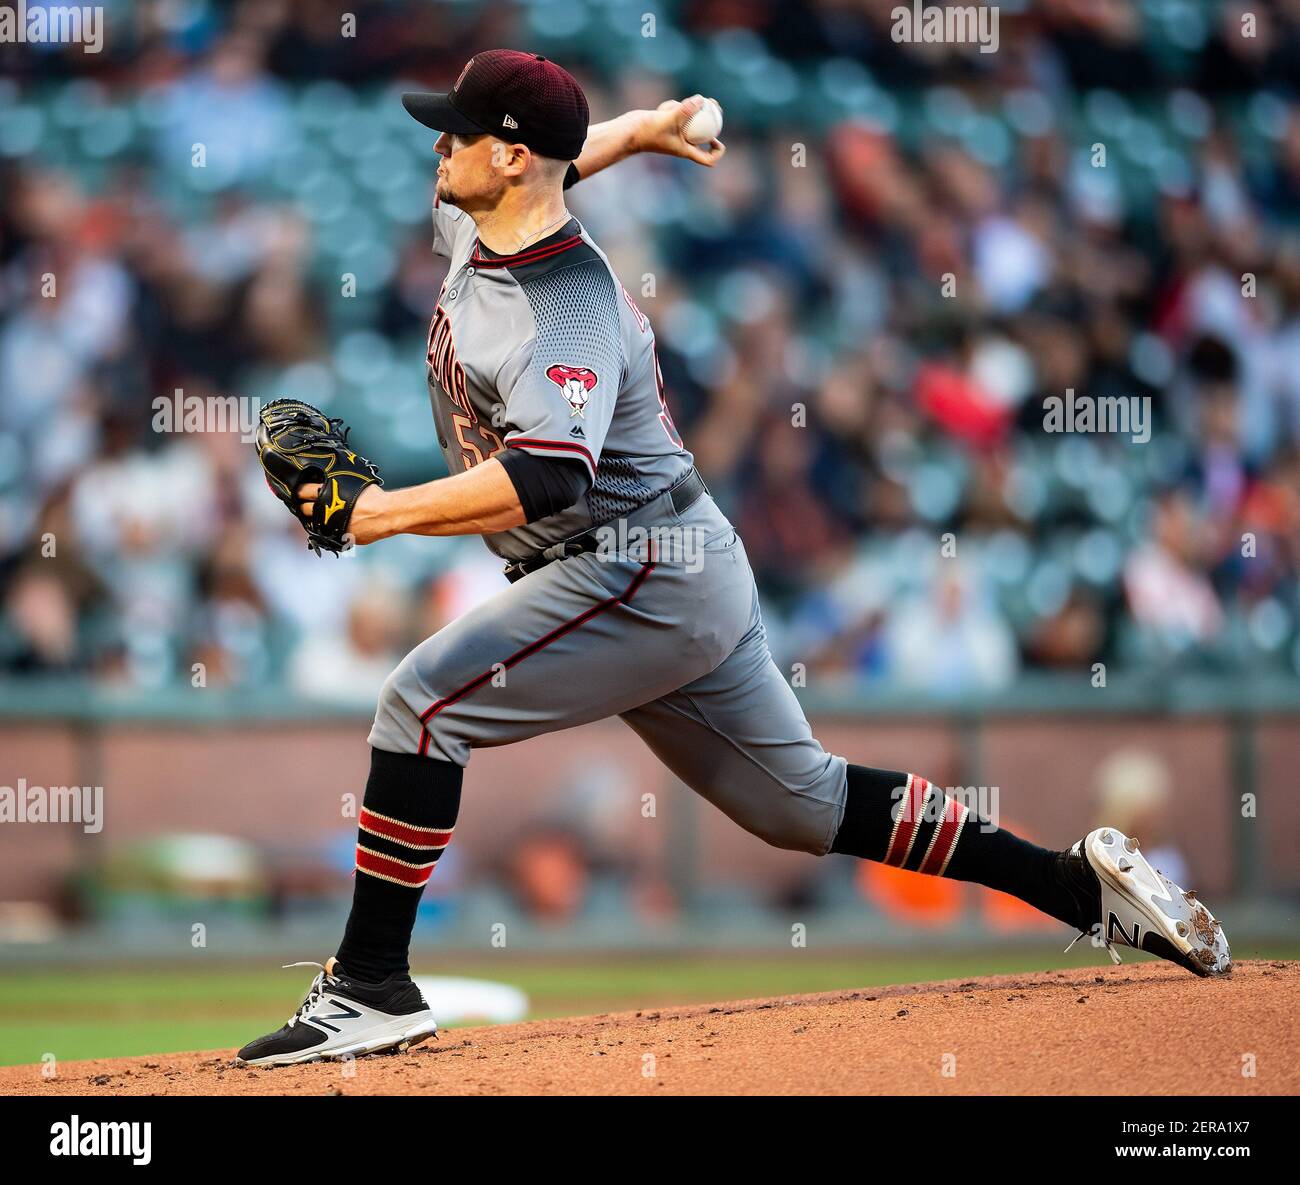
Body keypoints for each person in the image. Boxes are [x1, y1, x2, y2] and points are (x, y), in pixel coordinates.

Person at [236, 51, 1230, 1067]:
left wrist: (375, 515)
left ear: (511, 155)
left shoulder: (566, 305)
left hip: (634, 564)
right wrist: (648, 127)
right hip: (659, 561)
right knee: (800, 808)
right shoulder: (482, 212)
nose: (438, 145)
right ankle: (1075, 886)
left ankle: (370, 987)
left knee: (419, 706)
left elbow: (548, 482)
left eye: (458, 129)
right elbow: (568, 162)